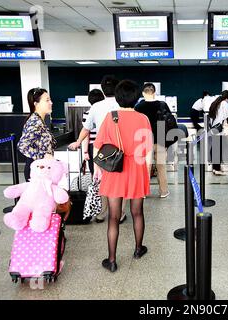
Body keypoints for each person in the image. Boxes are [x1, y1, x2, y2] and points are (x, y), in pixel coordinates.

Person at [93, 80, 153, 273]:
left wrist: (97, 170)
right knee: (137, 212)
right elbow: (148, 151)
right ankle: (137, 249)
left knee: (113, 217)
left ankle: (111, 260)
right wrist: (147, 171)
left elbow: (98, 145)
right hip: (136, 169)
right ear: (137, 98)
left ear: (118, 98)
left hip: (114, 170)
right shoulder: (143, 119)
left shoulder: (111, 117)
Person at [69, 75, 127, 224]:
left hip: (103, 150)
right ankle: (120, 213)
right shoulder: (123, 104)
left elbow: (86, 129)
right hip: (123, 148)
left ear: (103, 89)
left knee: (103, 181)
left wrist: (78, 142)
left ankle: (102, 213)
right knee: (122, 181)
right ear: (117, 88)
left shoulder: (96, 106)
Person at [135, 83, 171, 198]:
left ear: (143, 93)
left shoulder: (138, 107)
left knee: (146, 166)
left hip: (144, 140)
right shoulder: (162, 105)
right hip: (160, 139)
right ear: (155, 93)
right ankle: (163, 191)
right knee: (161, 166)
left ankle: (144, 192)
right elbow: (170, 121)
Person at [17, 88, 56, 182]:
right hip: (36, 170)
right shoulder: (35, 122)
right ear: (36, 104)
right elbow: (22, 145)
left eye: (50, 100)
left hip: (42, 169)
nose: (51, 103)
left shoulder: (39, 120)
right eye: (47, 100)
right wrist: (43, 155)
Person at [208, 90, 228, 175]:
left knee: (214, 148)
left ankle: (215, 168)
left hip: (214, 128)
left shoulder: (215, 103)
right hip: (219, 129)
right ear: (227, 98)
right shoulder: (224, 103)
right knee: (218, 149)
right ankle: (217, 169)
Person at [82, 89, 105, 175]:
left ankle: (96, 188)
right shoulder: (107, 113)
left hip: (92, 146)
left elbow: (86, 133)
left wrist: (85, 151)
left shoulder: (87, 113)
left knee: (95, 173)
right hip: (106, 146)